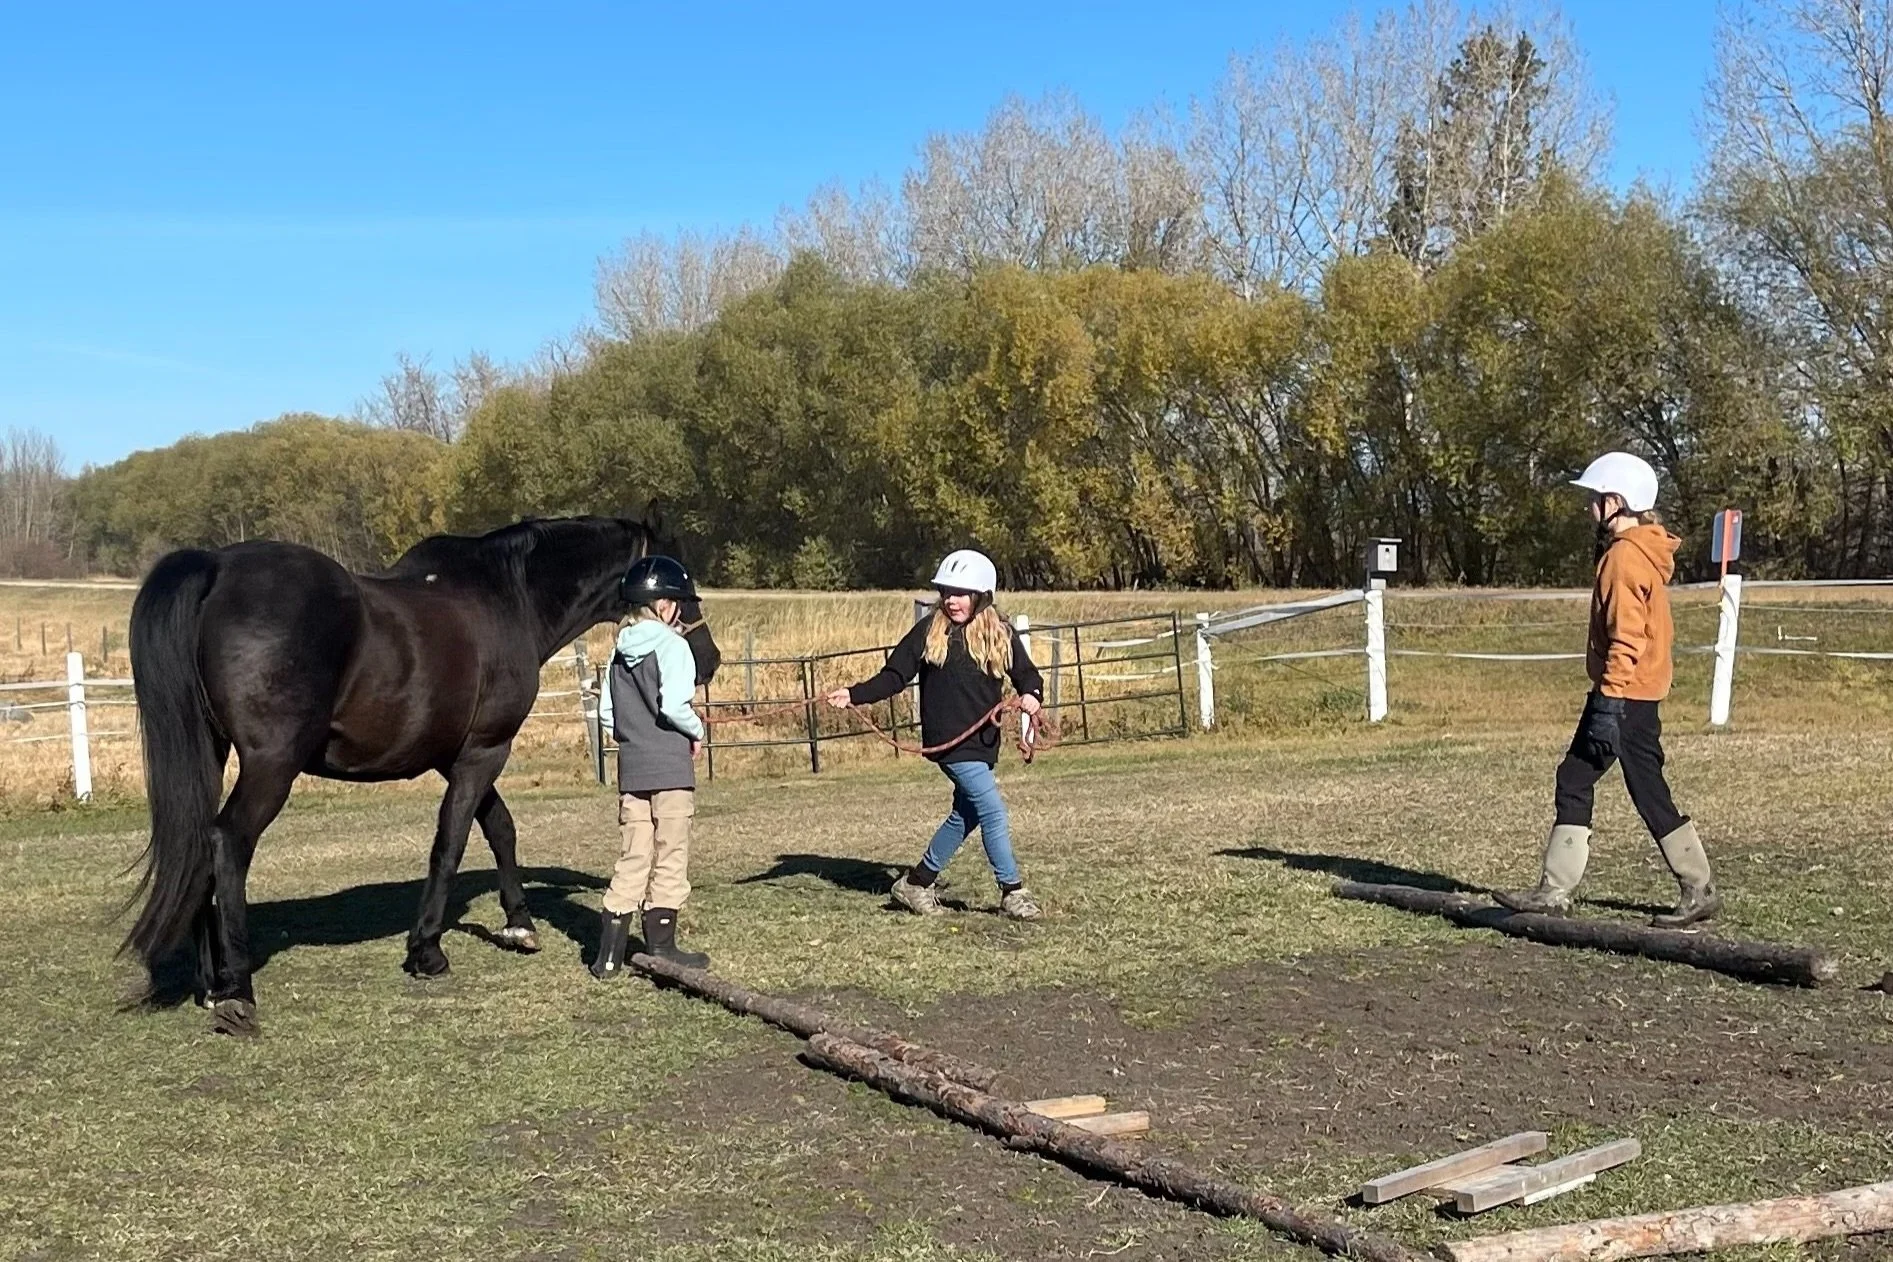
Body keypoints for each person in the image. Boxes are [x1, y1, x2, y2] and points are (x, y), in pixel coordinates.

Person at [1495, 452, 1722, 928]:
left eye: (1596, 499)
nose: (1590, 508)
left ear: (1616, 502)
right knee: (1586, 780)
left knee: (1635, 789)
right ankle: (1558, 889)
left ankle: (1693, 886)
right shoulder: (1641, 551)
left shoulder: (1622, 559)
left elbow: (1627, 636)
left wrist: (1609, 698)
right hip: (1633, 692)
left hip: (1625, 694)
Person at [825, 549, 1046, 920]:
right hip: (951, 744)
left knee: (967, 814)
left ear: (981, 596)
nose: (951, 600)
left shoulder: (1000, 632)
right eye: (946, 592)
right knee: (992, 810)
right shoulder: (929, 632)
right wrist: (854, 694)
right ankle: (1012, 892)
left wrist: (1032, 696)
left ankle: (916, 882)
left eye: (960, 593)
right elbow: (895, 675)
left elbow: (1027, 675)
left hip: (983, 743)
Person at [591, 554, 710, 979]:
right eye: (676, 602)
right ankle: (661, 947)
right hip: (670, 768)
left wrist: (634, 738)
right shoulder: (673, 646)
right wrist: (697, 731)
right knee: (670, 853)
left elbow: (607, 715)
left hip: (632, 769)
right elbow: (676, 705)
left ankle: (608, 957)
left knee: (633, 855)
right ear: (662, 605)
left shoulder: (618, 652)